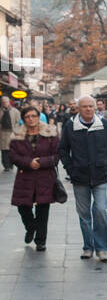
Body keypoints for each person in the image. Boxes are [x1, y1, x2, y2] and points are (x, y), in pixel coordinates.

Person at [58, 93, 107, 261]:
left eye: (91, 106)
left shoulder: (104, 125)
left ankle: (102, 248)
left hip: (100, 174)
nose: (88, 109)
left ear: (95, 107)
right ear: (79, 109)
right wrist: (70, 168)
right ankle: (88, 247)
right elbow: (63, 149)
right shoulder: (70, 126)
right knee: (84, 215)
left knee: (100, 211)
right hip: (80, 176)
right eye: (85, 106)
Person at [9, 103, 60, 250]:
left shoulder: (50, 133)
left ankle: (40, 241)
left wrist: (42, 162)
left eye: (33, 116)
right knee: (22, 206)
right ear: (23, 119)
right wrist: (28, 162)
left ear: (39, 117)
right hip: (25, 176)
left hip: (45, 176)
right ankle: (30, 227)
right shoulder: (17, 135)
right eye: (27, 116)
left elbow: (57, 155)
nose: (31, 119)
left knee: (43, 209)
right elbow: (13, 156)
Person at [1, 96, 22, 172]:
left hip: (12, 133)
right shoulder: (0, 111)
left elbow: (19, 122)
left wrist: (16, 129)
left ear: (9, 102)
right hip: (3, 133)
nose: (5, 104)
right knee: (4, 151)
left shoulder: (15, 111)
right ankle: (6, 165)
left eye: (6, 102)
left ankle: (11, 165)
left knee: (11, 150)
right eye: (3, 102)